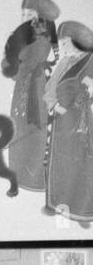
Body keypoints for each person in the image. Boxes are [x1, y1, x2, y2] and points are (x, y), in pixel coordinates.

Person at [1, 0, 59, 191]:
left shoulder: (41, 39)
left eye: (30, 15)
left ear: (39, 17)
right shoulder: (25, 36)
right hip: (24, 88)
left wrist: (13, 53)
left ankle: (32, 179)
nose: (25, 19)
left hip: (35, 87)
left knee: (32, 129)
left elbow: (17, 70)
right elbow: (10, 67)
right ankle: (21, 176)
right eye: (23, 15)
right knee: (19, 126)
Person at [43, 20, 93, 225]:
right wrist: (54, 106)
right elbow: (50, 88)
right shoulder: (65, 63)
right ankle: (58, 203)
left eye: (66, 44)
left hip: (81, 122)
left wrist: (81, 99)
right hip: (61, 122)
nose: (63, 48)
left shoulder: (91, 62)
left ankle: (83, 211)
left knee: (82, 162)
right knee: (60, 161)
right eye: (61, 45)